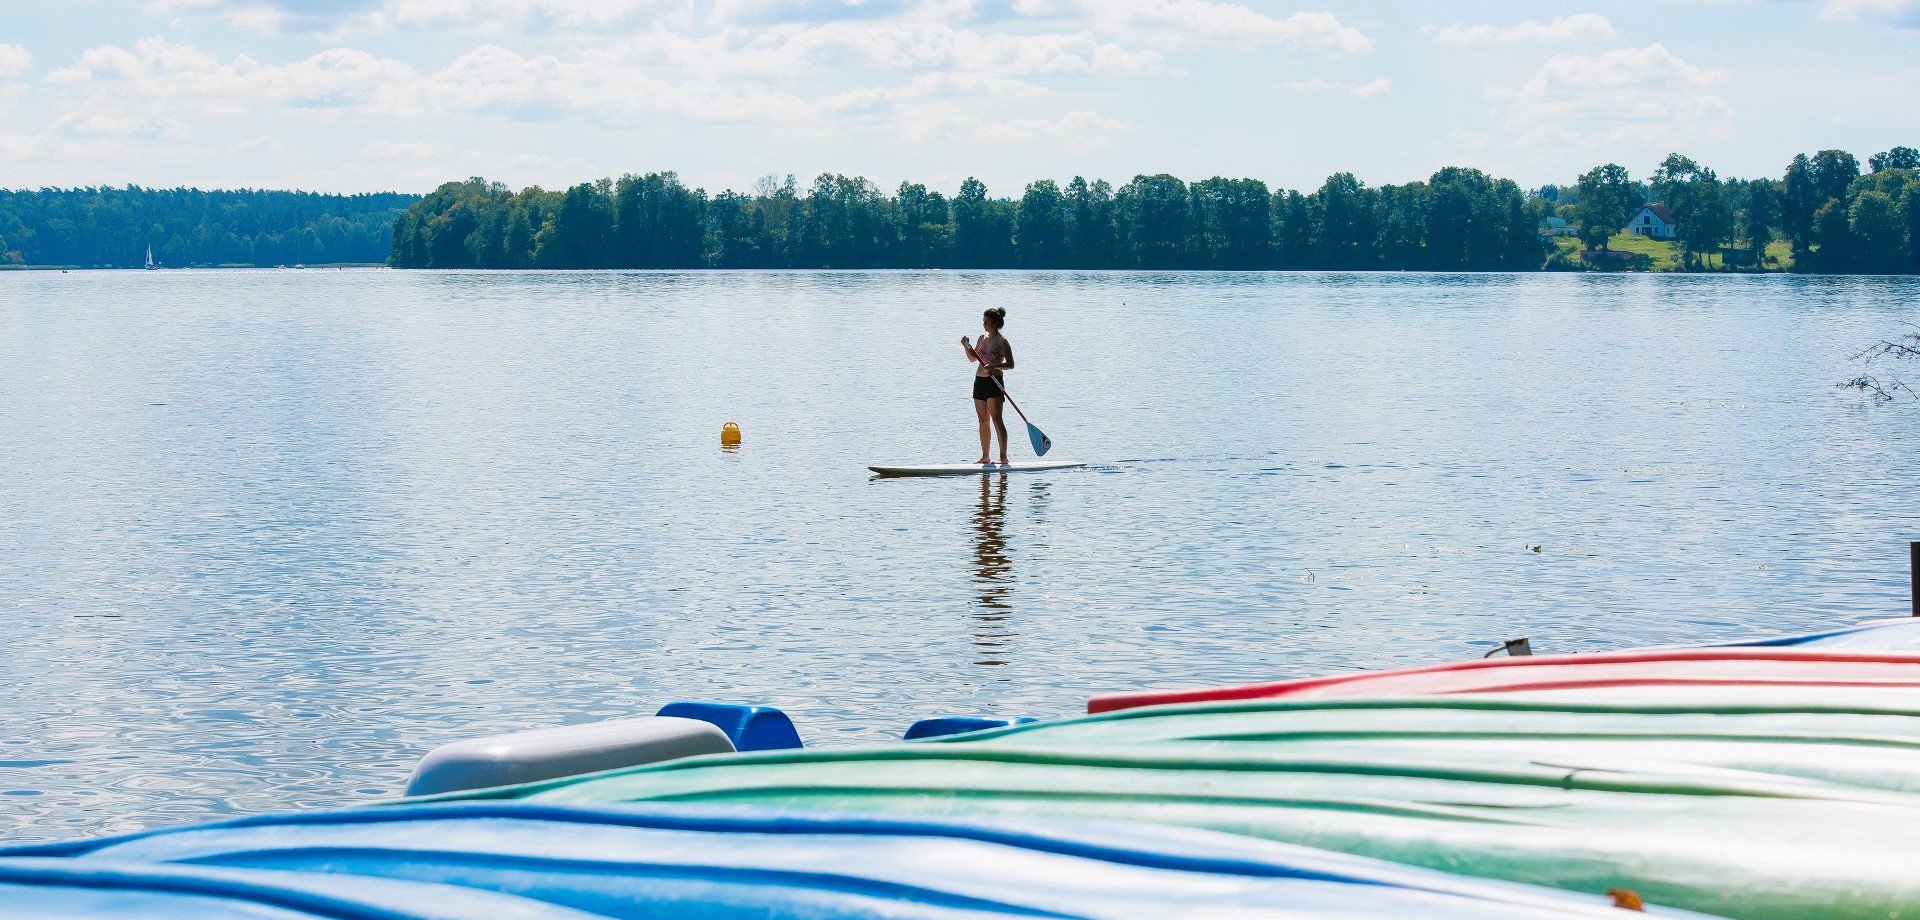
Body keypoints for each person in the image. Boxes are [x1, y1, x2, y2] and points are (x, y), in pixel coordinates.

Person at [961, 308, 1015, 465]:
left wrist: (993, 366)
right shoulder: (981, 338)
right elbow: (973, 359)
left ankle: (1003, 457)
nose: (983, 323)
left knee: (997, 419)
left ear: (994, 323)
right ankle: (985, 456)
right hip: (980, 382)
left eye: (986, 321)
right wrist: (966, 346)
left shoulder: (1002, 341)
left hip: (994, 382)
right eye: (983, 320)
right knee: (982, 419)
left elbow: (1010, 364)